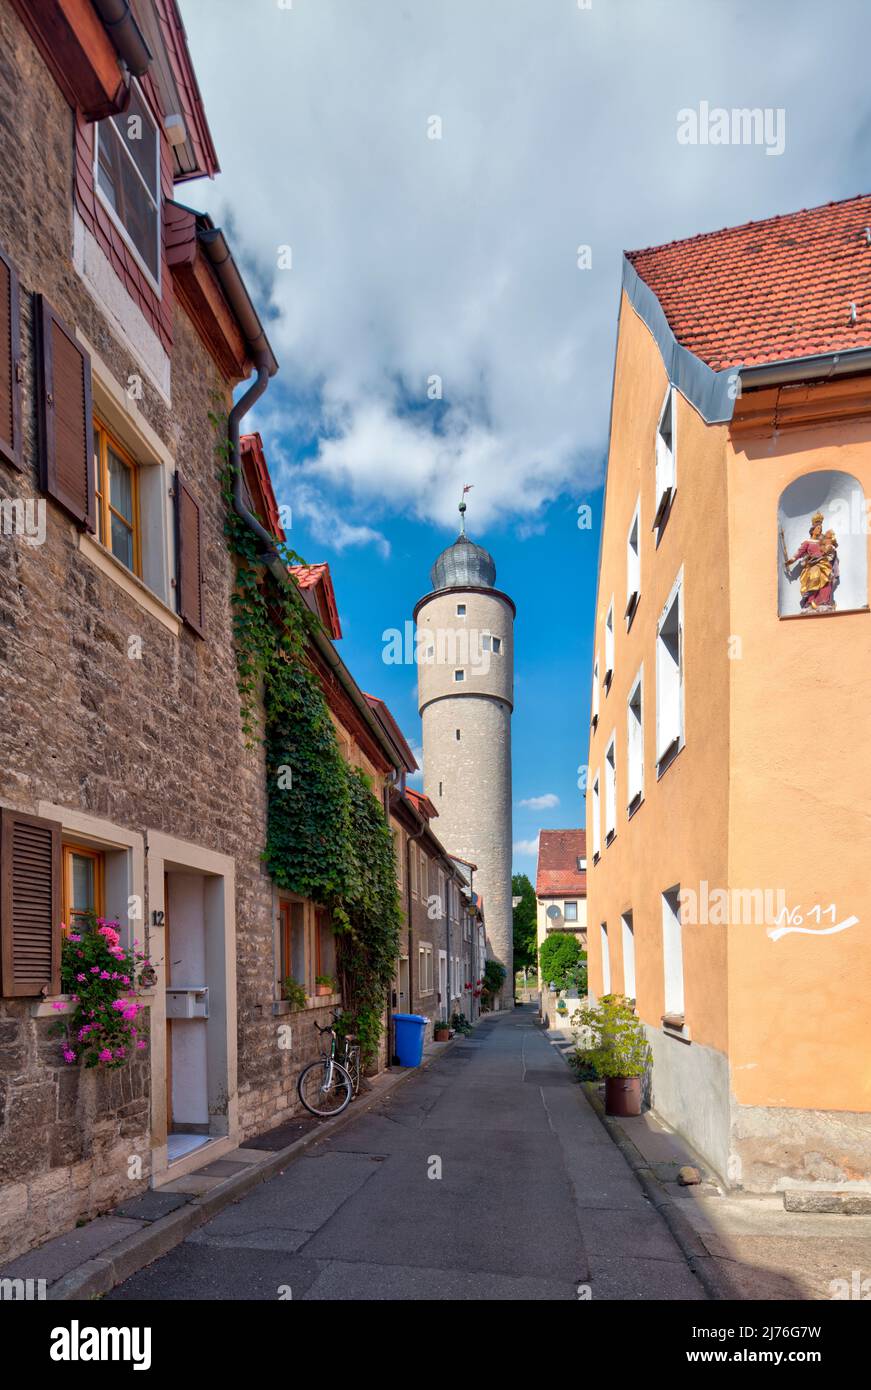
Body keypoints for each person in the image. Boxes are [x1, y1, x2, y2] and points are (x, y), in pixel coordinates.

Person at [785, 512, 838, 610]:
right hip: (813, 564)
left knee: (828, 580)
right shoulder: (807, 542)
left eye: (821, 529)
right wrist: (791, 560)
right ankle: (811, 601)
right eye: (818, 528)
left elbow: (831, 548)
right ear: (812, 530)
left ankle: (824, 601)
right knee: (814, 578)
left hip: (824, 563)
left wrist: (832, 546)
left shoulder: (822, 541)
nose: (820, 530)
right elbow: (799, 553)